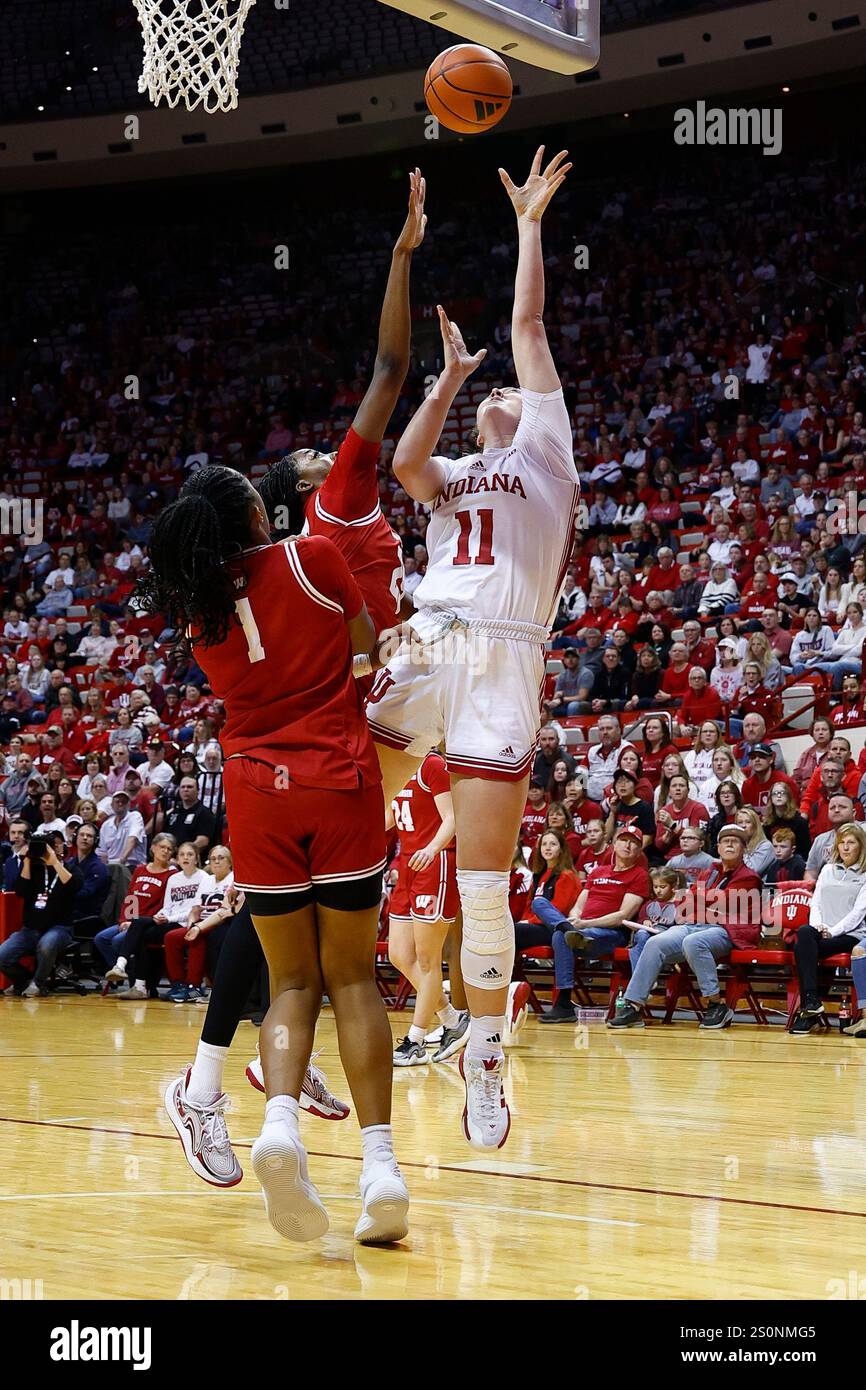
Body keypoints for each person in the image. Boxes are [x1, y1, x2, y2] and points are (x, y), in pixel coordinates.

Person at [363, 148, 577, 1148]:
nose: (505, 395)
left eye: (507, 394)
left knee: (484, 887)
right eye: (495, 397)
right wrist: (448, 378)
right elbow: (403, 462)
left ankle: (483, 1057)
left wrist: (529, 225)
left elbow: (527, 328)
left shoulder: (545, 453)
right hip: (428, 638)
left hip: (504, 655)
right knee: (342, 814)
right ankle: (298, 1000)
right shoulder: (452, 467)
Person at [609, 824, 762, 1031]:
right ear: (717, 847)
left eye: (735, 842)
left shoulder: (749, 877)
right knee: (654, 942)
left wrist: (700, 898)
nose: (729, 845)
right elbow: (686, 902)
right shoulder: (709, 872)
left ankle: (716, 1004)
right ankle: (634, 1006)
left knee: (694, 942)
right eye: (725, 841)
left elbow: (724, 902)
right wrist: (702, 901)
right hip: (695, 924)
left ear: (743, 848)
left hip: (729, 930)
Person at [387, 751, 469, 1066]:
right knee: (398, 954)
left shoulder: (432, 765)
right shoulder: (396, 768)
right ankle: (451, 1019)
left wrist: (433, 848)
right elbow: (389, 818)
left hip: (434, 862)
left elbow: (453, 818)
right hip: (408, 864)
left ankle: (416, 1041)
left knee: (426, 959)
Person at [533, 824, 650, 1023]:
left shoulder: (640, 875)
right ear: (614, 844)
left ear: (639, 851)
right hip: (580, 929)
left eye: (633, 843)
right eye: (623, 840)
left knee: (560, 935)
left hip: (610, 933)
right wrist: (574, 920)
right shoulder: (598, 872)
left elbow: (622, 916)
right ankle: (566, 929)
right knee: (539, 903)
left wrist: (584, 924)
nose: (627, 845)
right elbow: (578, 906)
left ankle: (563, 1004)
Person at [790, 823, 866, 1035]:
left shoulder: (865, 874)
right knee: (805, 932)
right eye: (842, 842)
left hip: (850, 934)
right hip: (822, 931)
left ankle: (808, 1011)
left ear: (861, 846)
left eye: (851, 843)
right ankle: (811, 1001)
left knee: (803, 949)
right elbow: (816, 902)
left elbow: (858, 912)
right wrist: (819, 926)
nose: (846, 847)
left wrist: (832, 931)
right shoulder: (827, 869)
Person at [0, 831, 82, 997]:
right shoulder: (33, 869)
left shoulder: (71, 868)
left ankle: (38, 983)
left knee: (47, 944)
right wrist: (27, 860)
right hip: (30, 929)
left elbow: (73, 886)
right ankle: (24, 981)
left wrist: (55, 862)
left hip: (60, 927)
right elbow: (20, 891)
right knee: (3, 955)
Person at [92, 833, 177, 978]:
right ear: (153, 848)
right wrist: (125, 920)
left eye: (169, 849)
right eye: (162, 847)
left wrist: (136, 923)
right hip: (130, 919)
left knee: (117, 941)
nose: (165, 851)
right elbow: (131, 897)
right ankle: (125, 972)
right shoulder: (140, 870)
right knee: (100, 939)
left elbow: (164, 904)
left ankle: (128, 971)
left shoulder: (172, 874)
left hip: (147, 923)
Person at [163, 846, 238, 1003]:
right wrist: (191, 924)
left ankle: (194, 987)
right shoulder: (207, 880)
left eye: (221, 858)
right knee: (171, 937)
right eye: (213, 859)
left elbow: (227, 910)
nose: (216, 862)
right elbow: (195, 909)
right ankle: (178, 984)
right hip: (201, 922)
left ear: (230, 862)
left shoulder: (233, 879)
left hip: (221, 923)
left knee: (197, 937)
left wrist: (198, 928)